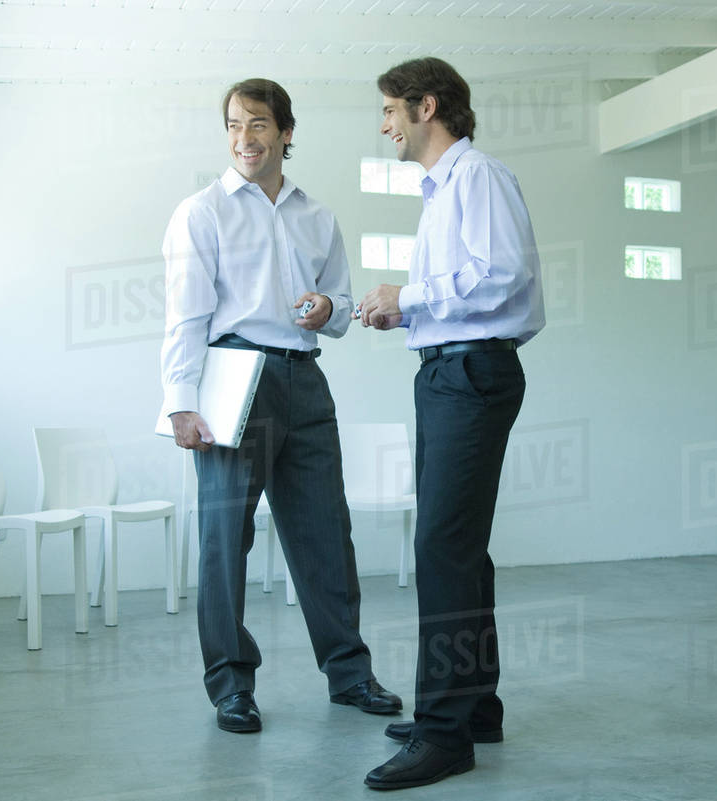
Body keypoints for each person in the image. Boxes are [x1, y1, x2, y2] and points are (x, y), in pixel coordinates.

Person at [161, 78, 400, 733]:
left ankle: (349, 674)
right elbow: (185, 314)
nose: (245, 137)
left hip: (305, 379)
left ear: (286, 133)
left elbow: (341, 309)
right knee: (224, 542)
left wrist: (328, 308)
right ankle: (230, 685)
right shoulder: (202, 211)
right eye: (235, 125)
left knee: (327, 535)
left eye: (259, 124)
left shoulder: (316, 217)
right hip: (234, 379)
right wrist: (180, 400)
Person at [357, 57, 546, 789]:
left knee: (442, 548)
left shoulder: (478, 177)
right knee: (459, 549)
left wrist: (409, 297)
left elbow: (502, 274)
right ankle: (475, 709)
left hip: (471, 373)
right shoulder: (442, 192)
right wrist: (404, 309)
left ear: (424, 106)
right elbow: (459, 290)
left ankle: (444, 735)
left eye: (388, 111)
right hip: (447, 372)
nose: (383, 125)